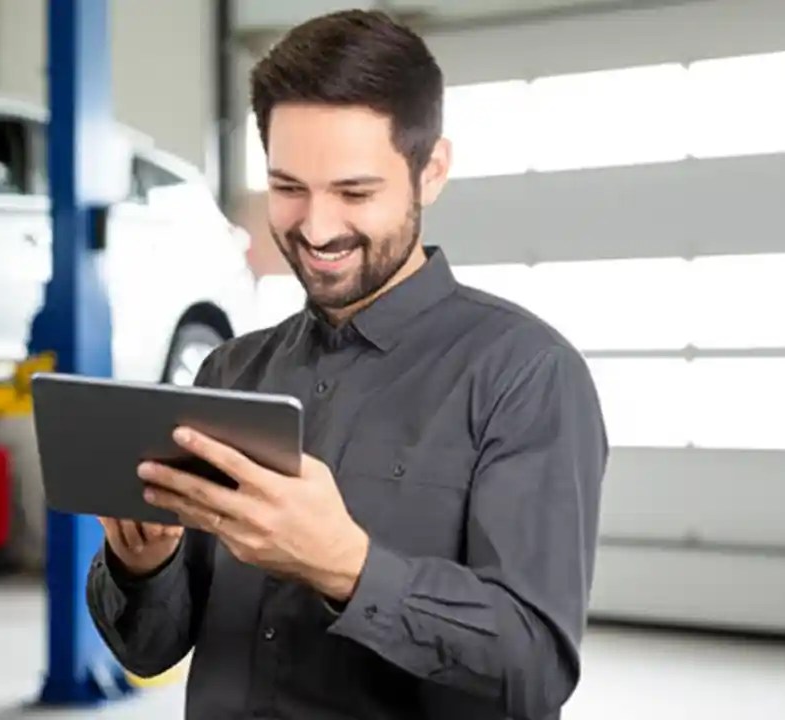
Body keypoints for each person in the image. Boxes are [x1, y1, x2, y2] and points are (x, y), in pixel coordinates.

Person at [85, 9, 608, 720]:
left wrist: (349, 567)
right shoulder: (231, 372)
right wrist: (143, 564)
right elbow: (150, 651)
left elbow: (533, 672)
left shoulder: (525, 376)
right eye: (288, 187)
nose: (318, 227)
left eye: (355, 192)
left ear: (431, 171)